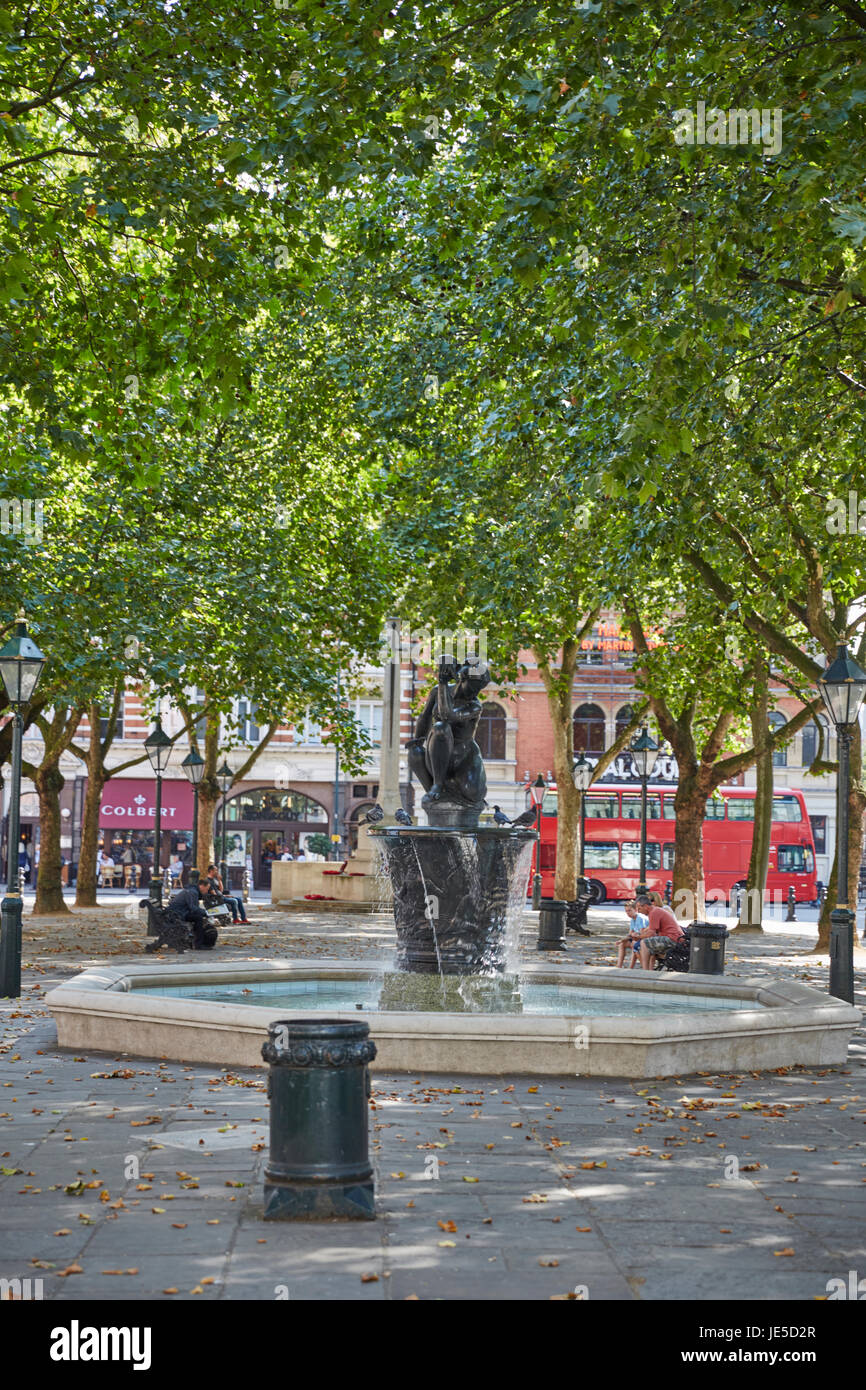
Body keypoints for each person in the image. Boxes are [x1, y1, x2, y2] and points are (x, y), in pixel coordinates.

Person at [635, 893, 685, 971]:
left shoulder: (654, 912)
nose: (638, 911)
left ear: (645, 906)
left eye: (639, 908)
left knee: (643, 943)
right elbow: (653, 933)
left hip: (673, 939)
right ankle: (650, 971)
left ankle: (645, 971)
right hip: (675, 938)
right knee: (649, 946)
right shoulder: (654, 911)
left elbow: (651, 933)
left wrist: (638, 937)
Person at [168, 876, 217, 949]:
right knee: (198, 918)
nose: (207, 891)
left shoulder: (193, 890)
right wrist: (207, 913)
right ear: (202, 886)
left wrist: (205, 912)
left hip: (178, 912)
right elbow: (193, 908)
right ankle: (198, 944)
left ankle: (196, 941)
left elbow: (193, 908)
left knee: (198, 916)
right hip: (178, 913)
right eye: (207, 889)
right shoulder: (192, 892)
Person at [616, 899, 648, 969]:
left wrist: (634, 935)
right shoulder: (632, 919)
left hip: (643, 940)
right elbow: (630, 934)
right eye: (626, 911)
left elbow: (642, 933)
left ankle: (631, 967)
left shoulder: (640, 918)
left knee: (633, 943)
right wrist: (622, 940)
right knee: (622, 944)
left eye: (629, 910)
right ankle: (619, 966)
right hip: (635, 938)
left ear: (635, 910)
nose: (628, 913)